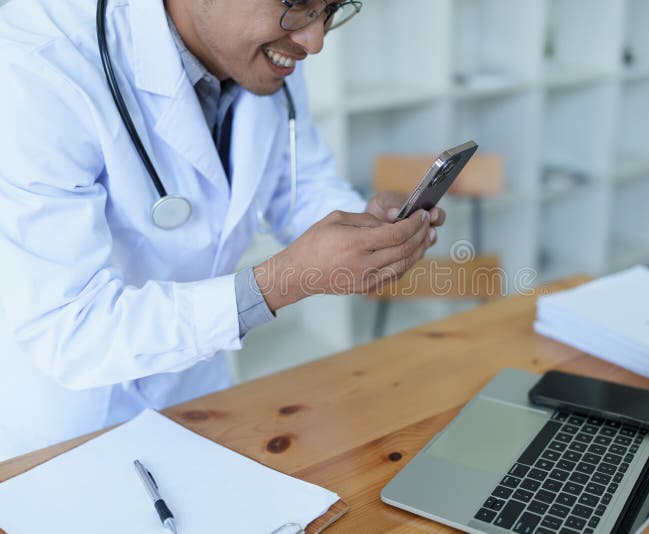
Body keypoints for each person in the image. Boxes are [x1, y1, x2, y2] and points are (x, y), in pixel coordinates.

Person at [0, 0, 446, 460]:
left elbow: (298, 183)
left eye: (331, 8)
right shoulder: (38, 69)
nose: (315, 40)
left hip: (197, 395)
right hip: (71, 425)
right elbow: (70, 328)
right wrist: (274, 286)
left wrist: (368, 230)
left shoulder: (269, 51)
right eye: (297, 4)